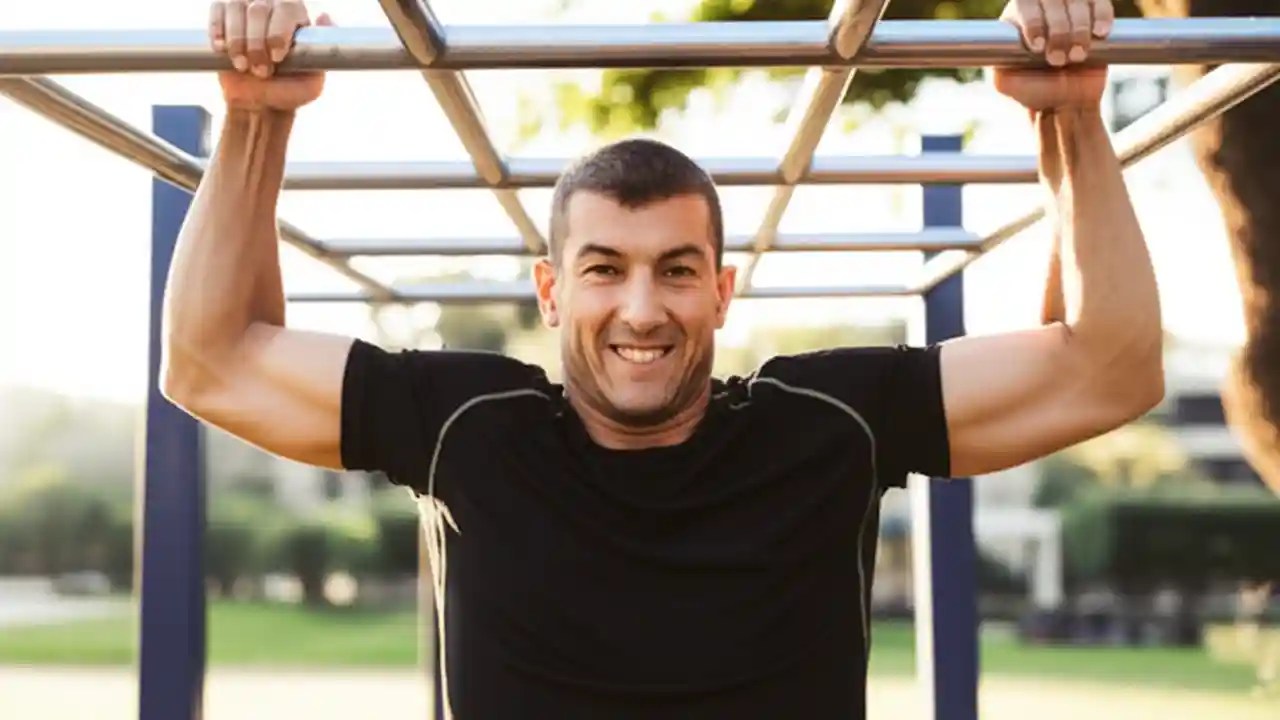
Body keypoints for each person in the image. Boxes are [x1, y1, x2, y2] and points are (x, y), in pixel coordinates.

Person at [166, 0, 1162, 717]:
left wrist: (1068, 115)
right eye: (602, 270)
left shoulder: (824, 422)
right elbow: (209, 362)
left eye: (676, 271)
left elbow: (1105, 368)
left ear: (721, 292)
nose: (640, 311)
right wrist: (257, 113)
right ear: (550, 291)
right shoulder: (469, 425)